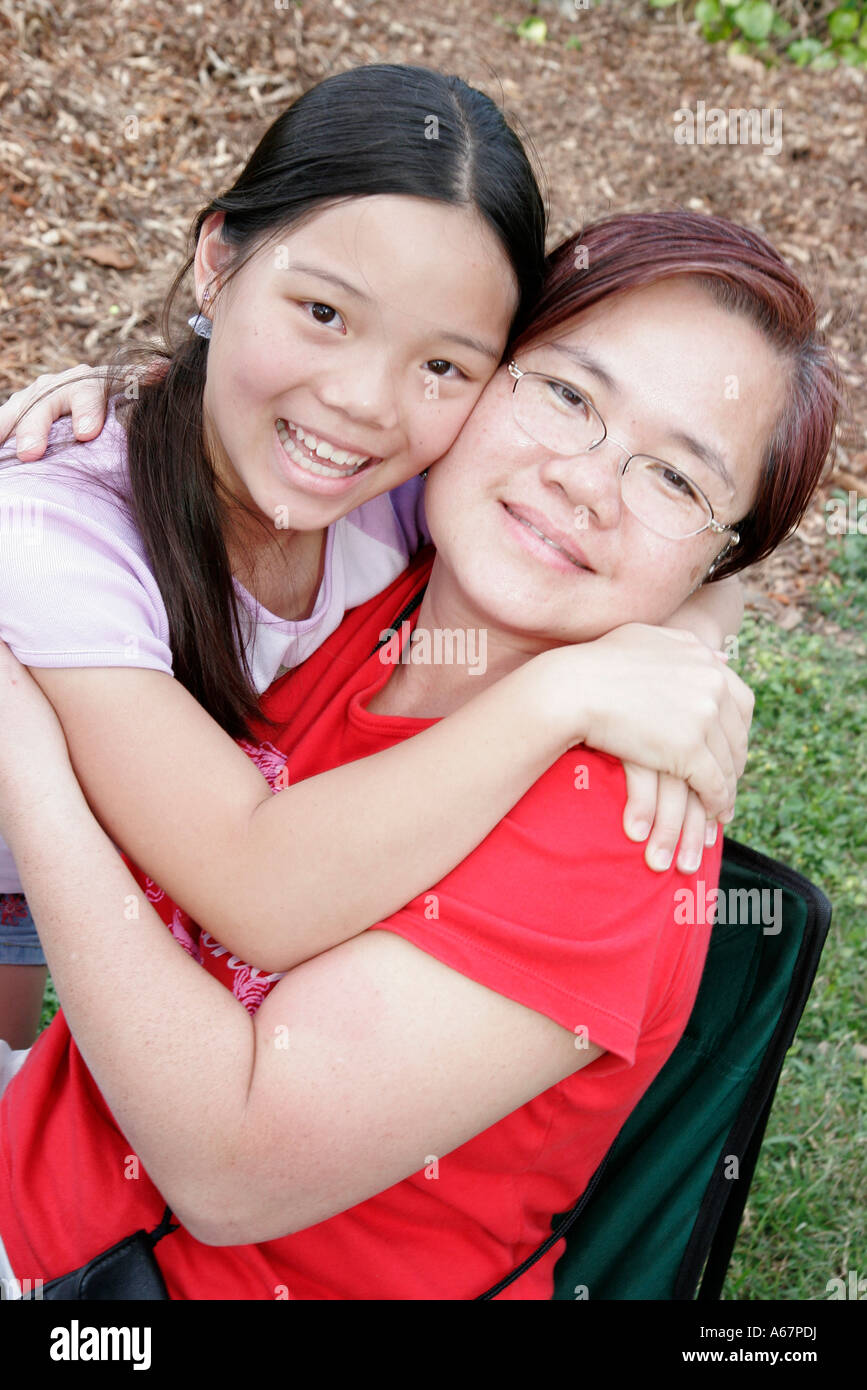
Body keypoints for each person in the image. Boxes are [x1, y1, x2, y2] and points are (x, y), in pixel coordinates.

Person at [0, 210, 840, 1300]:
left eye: (674, 479)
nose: (585, 482)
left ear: (714, 551)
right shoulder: (371, 557)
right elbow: (306, 410)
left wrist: (27, 752)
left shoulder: (616, 836)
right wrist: (135, 400)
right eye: (568, 394)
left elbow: (226, 1167)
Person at [0, 66, 740, 1050]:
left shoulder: (401, 487)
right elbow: (255, 887)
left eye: (442, 364)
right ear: (218, 265)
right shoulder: (55, 537)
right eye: (323, 313)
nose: (363, 402)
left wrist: (686, 636)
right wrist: (571, 692)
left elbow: (711, 528)